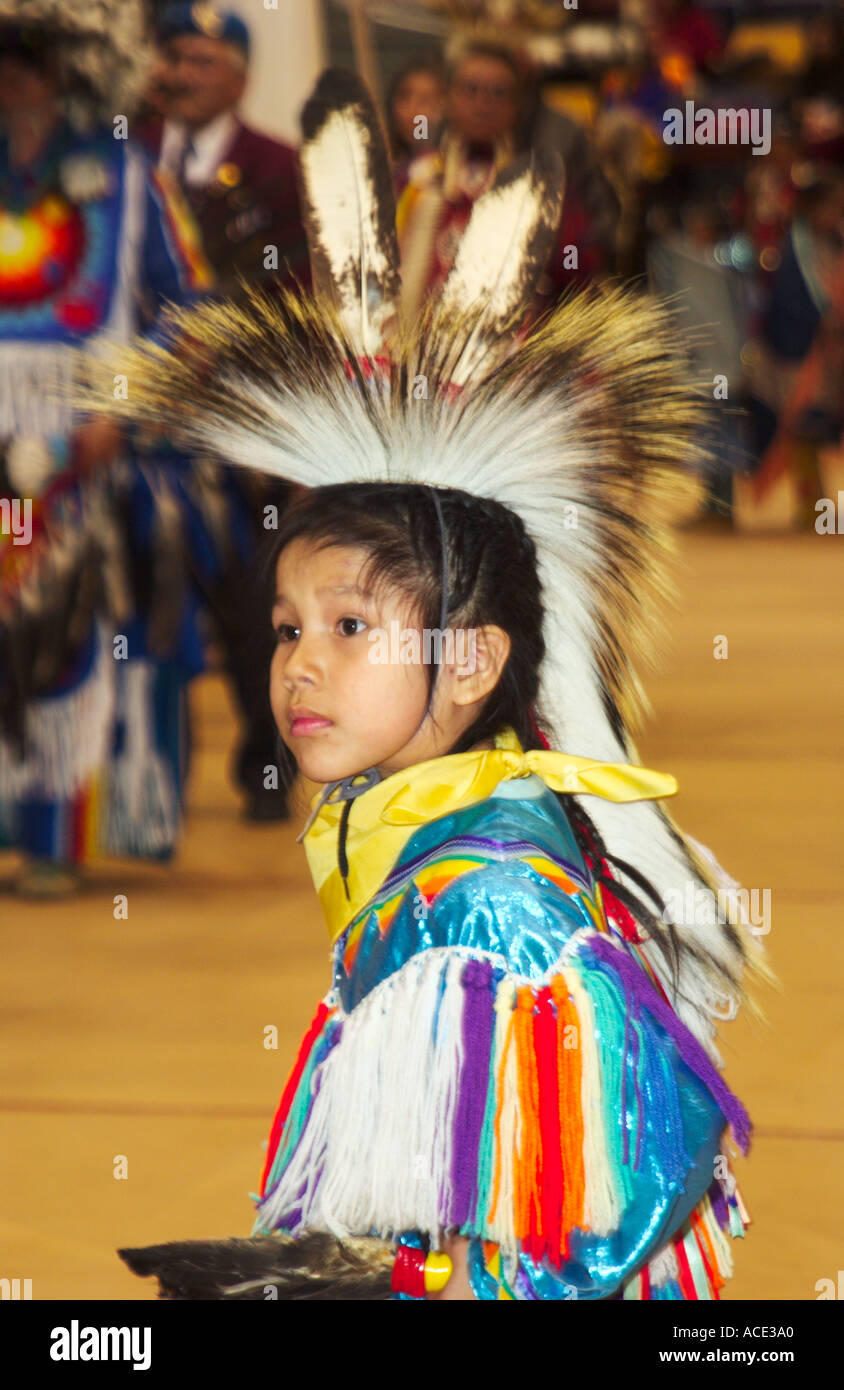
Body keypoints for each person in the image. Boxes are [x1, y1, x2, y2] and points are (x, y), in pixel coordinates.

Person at [111, 71, 767, 1301]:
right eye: (288, 624)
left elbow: (612, 1202)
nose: (301, 660)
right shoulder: (412, 842)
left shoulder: (498, 906)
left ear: (471, 660)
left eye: (353, 625)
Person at [0, 0, 211, 895]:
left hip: (77, 445)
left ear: (69, 70)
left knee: (62, 628)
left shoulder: (127, 176)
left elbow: (187, 311)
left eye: (28, 59)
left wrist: (118, 409)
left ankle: (49, 836)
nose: (11, 77)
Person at [142, 3, 308, 821]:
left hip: (241, 419)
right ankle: (147, 775)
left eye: (202, 61)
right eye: (173, 57)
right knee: (139, 599)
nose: (182, 74)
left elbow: (296, 296)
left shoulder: (277, 166)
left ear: (240, 76)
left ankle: (266, 769)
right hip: (135, 419)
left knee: (249, 602)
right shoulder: (123, 158)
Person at [397, 42, 610, 323]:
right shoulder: (415, 182)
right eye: (470, 90)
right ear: (449, 98)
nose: (482, 104)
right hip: (414, 349)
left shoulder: (541, 193)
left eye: (497, 93)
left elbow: (577, 278)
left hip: (513, 351)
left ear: (516, 107)